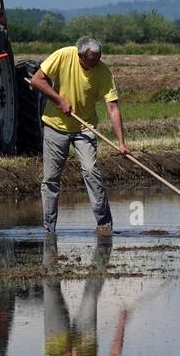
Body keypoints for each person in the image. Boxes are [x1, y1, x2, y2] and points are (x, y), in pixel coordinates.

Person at [29, 36, 129, 236]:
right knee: (51, 179)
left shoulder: (103, 72)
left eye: (98, 59)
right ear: (80, 55)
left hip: (85, 128)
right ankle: (49, 229)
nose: (96, 63)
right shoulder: (64, 55)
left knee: (91, 171)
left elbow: (112, 107)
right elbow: (36, 80)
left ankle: (104, 225)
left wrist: (121, 142)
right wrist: (59, 100)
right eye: (92, 60)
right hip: (55, 126)